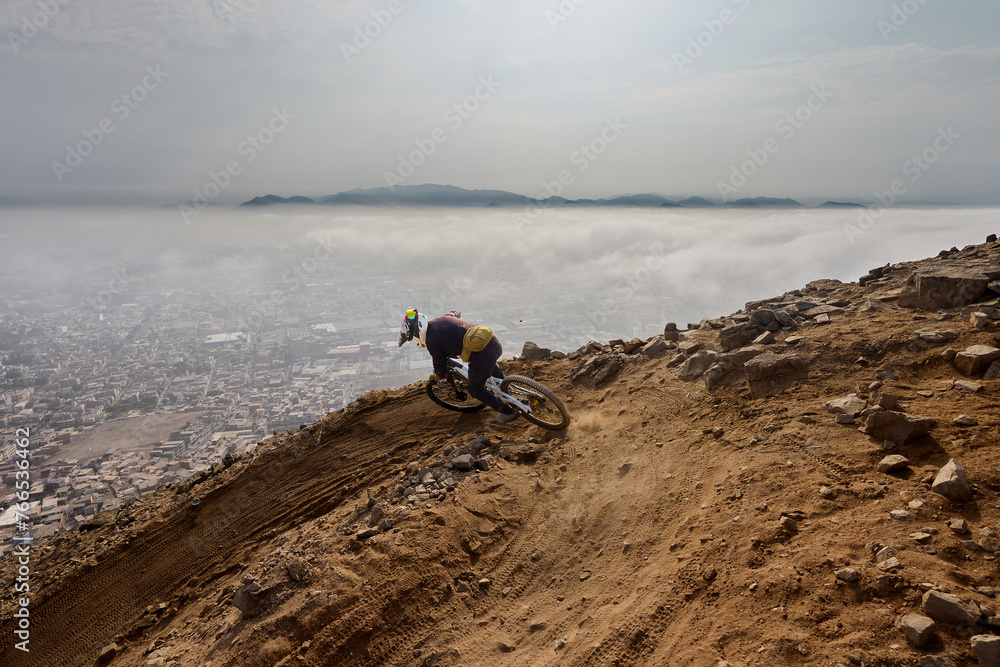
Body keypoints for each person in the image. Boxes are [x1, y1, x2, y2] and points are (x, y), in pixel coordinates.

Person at [398, 308, 519, 424]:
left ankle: (507, 412)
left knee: (474, 389)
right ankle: (513, 394)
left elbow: (440, 372)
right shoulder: (443, 319)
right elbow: (456, 312)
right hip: (494, 343)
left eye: (413, 338)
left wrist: (436, 378)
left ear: (417, 332)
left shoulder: (432, 341)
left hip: (483, 355)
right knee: (491, 370)